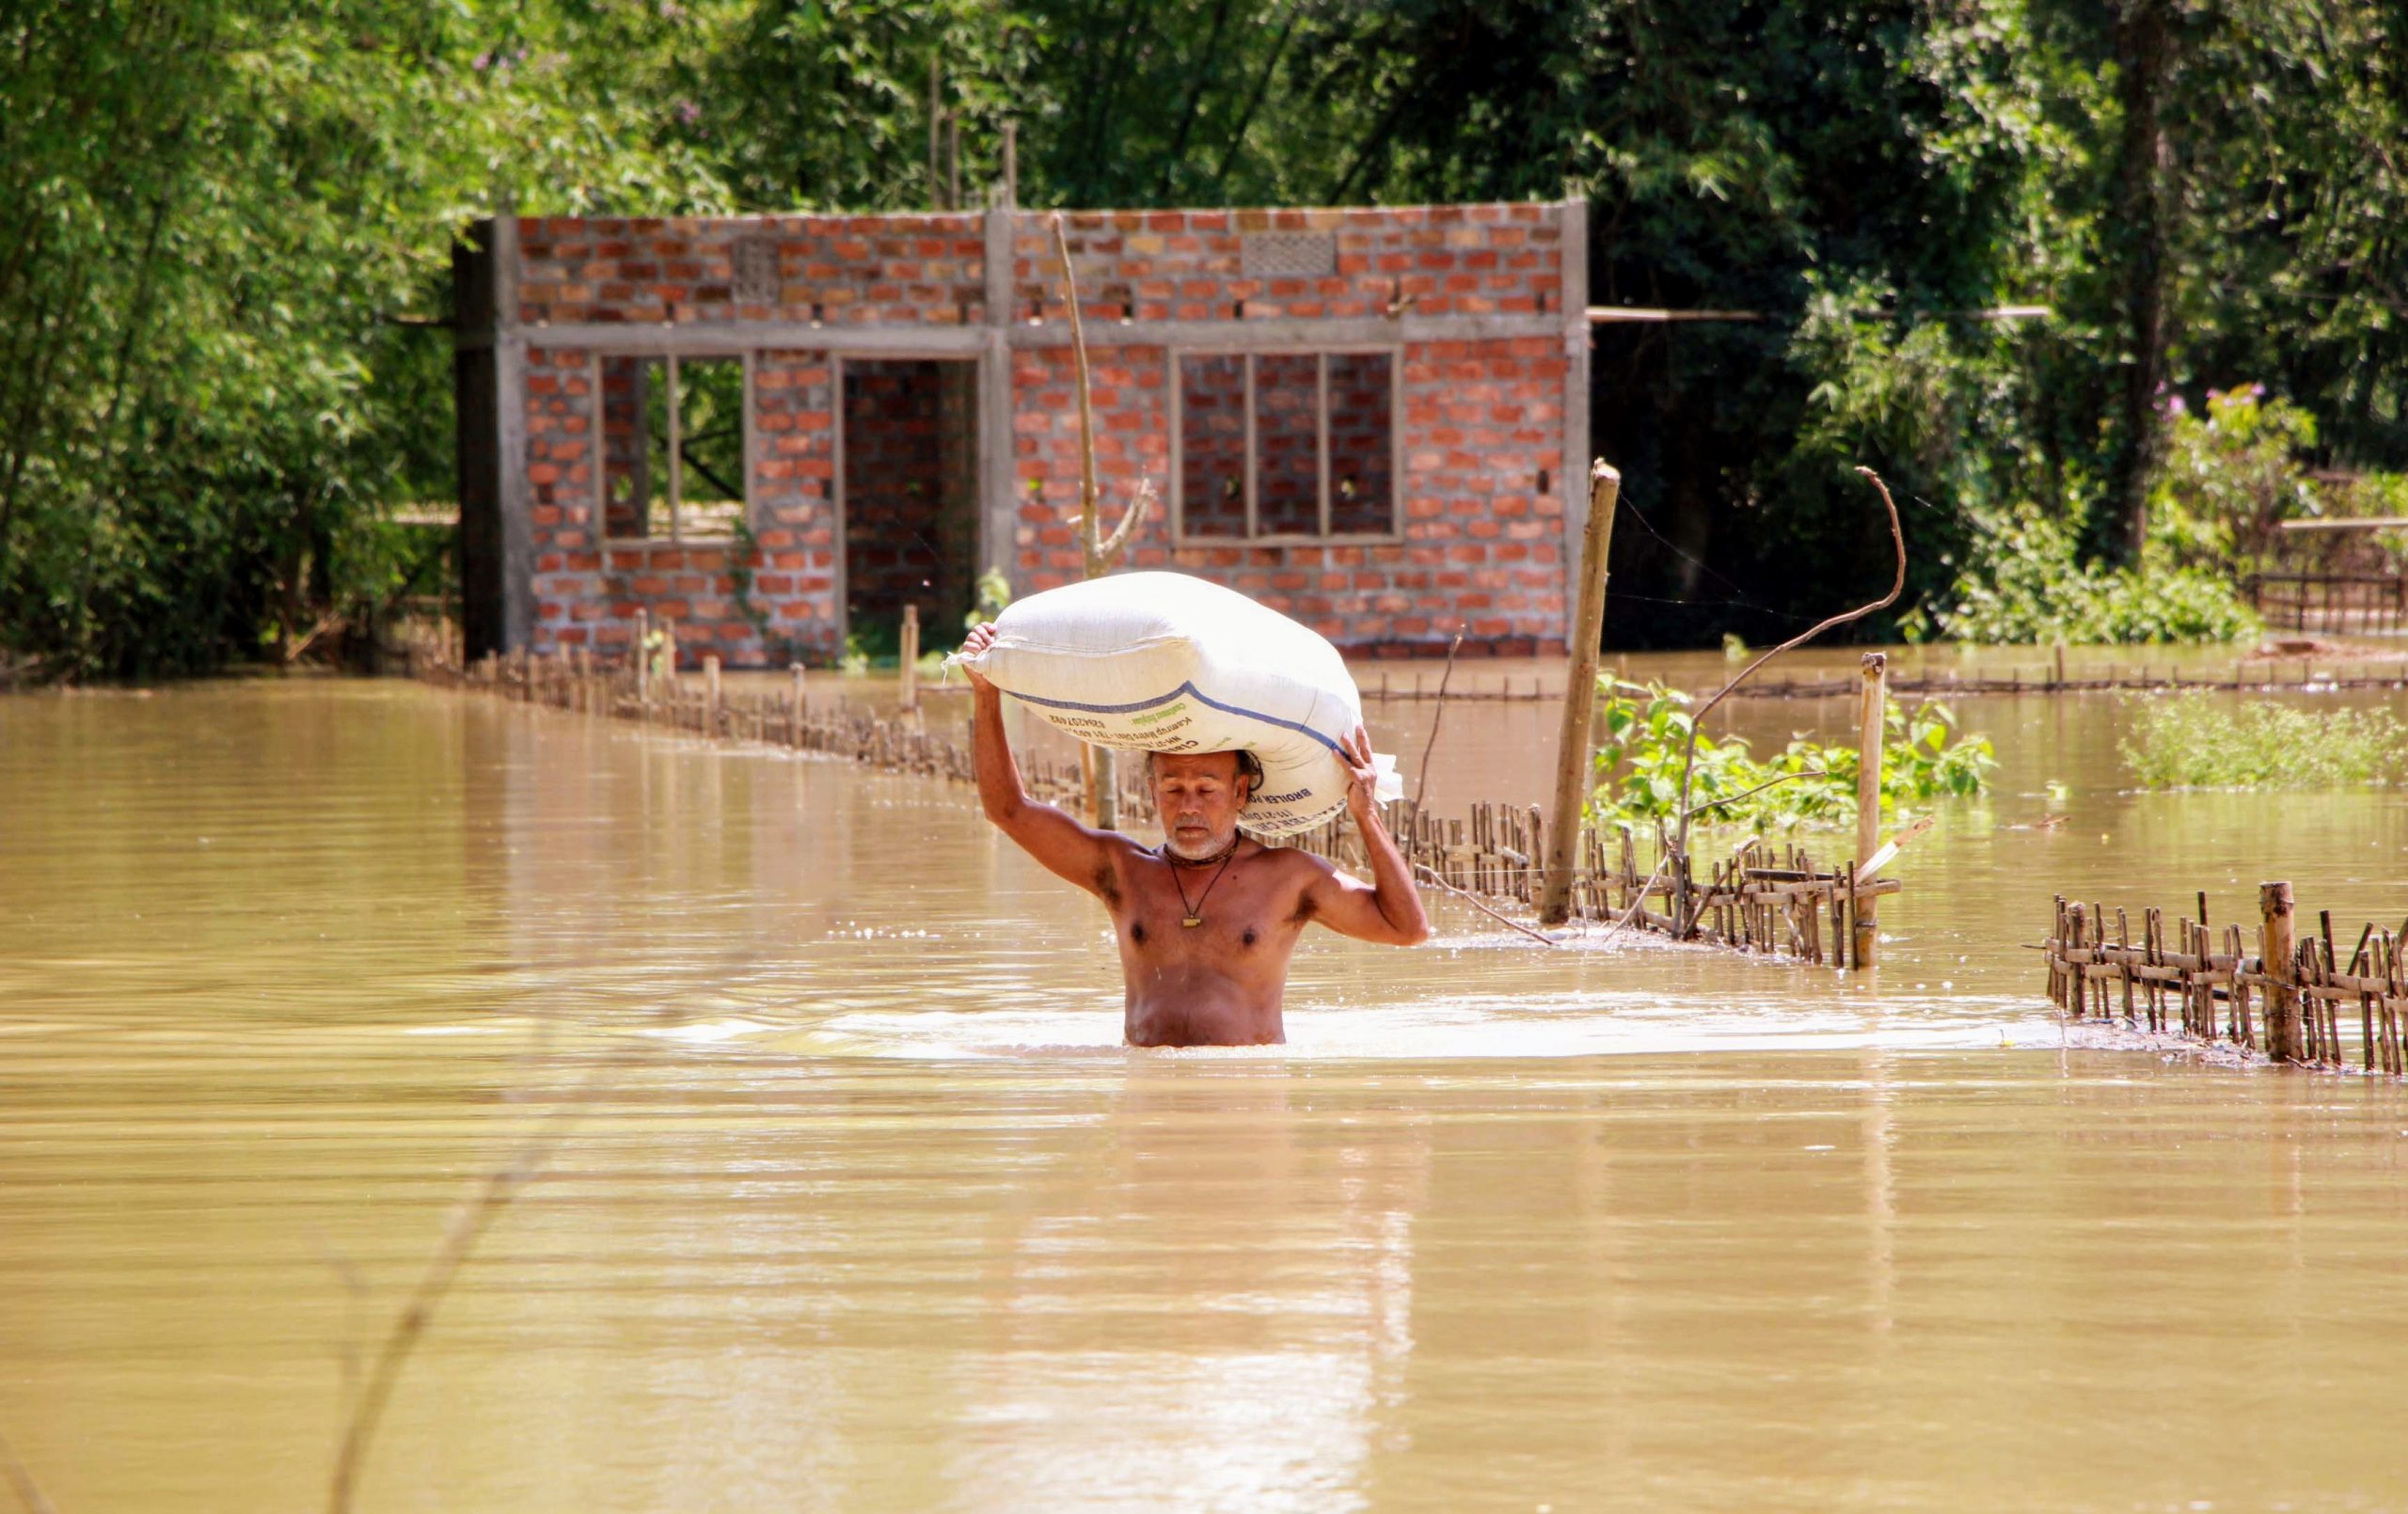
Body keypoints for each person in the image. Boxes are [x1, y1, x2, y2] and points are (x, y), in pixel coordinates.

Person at [958, 621, 1431, 1047]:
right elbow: (1008, 811)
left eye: (1206, 789)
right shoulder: (1121, 870)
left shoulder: (1288, 878)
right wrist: (986, 693)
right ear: (1151, 791)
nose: (1188, 806)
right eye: (1172, 788)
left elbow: (1407, 930)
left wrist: (1367, 817)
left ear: (1240, 791)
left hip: (1248, 1098)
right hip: (1146, 1106)